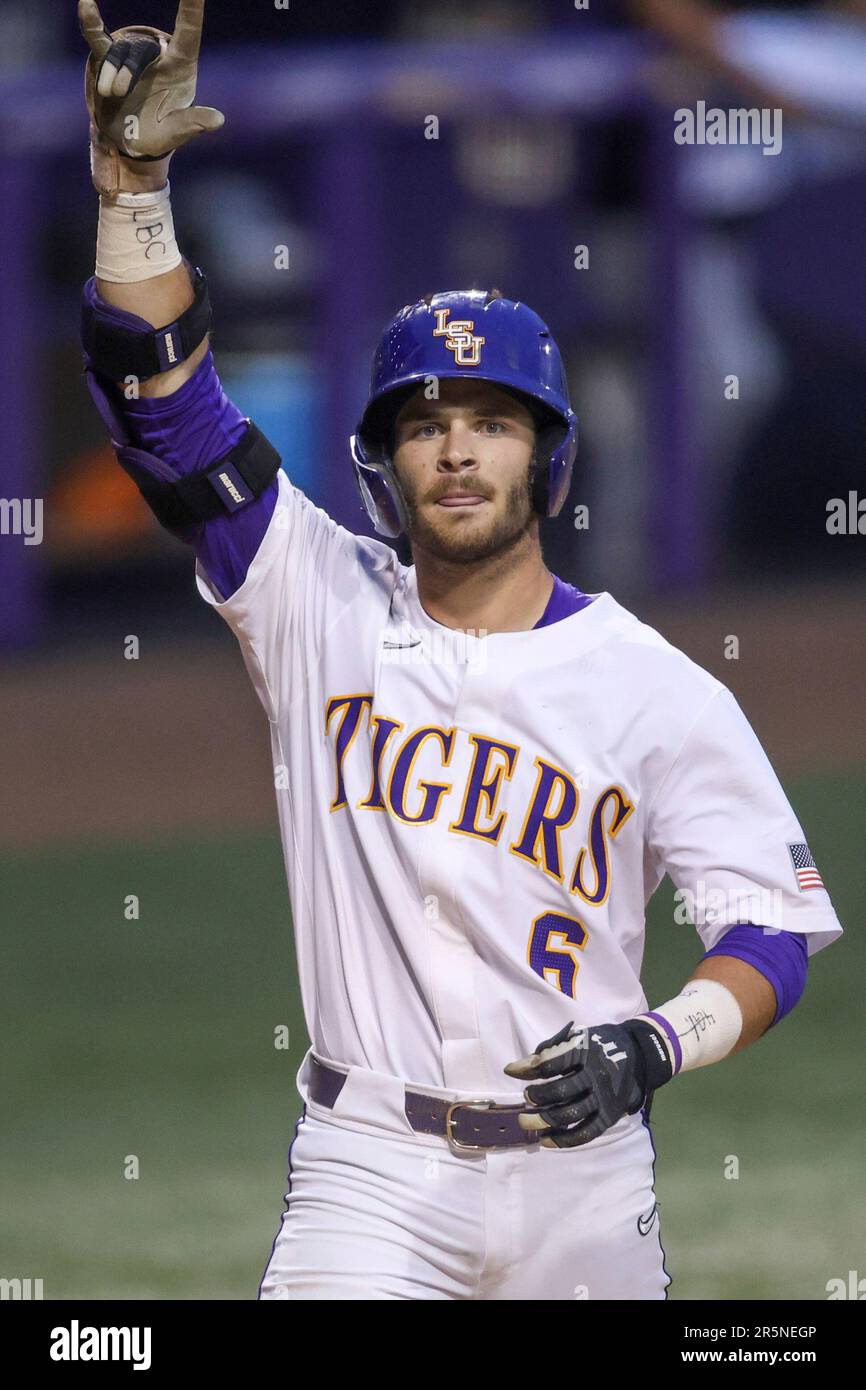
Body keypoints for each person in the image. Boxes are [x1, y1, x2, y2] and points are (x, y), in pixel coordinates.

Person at [77, 0, 843, 1300]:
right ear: (385, 461)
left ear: (545, 456)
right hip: (366, 1166)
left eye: (492, 423)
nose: (456, 450)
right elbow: (167, 411)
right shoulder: (311, 599)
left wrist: (658, 1042)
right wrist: (134, 188)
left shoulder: (657, 688)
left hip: (584, 1180)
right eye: (426, 424)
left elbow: (767, 931)